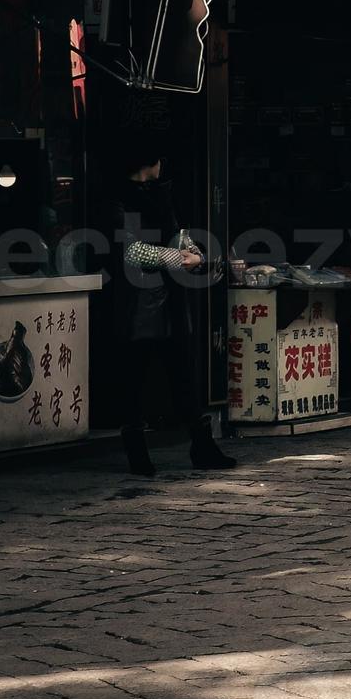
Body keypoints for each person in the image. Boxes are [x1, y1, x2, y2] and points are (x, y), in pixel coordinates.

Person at [108, 157, 234, 478]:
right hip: (137, 301)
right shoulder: (118, 198)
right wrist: (179, 257)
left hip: (170, 299)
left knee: (184, 375)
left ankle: (202, 445)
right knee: (134, 377)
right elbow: (131, 251)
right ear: (150, 162)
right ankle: (138, 452)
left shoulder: (162, 192)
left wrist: (195, 254)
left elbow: (178, 233)